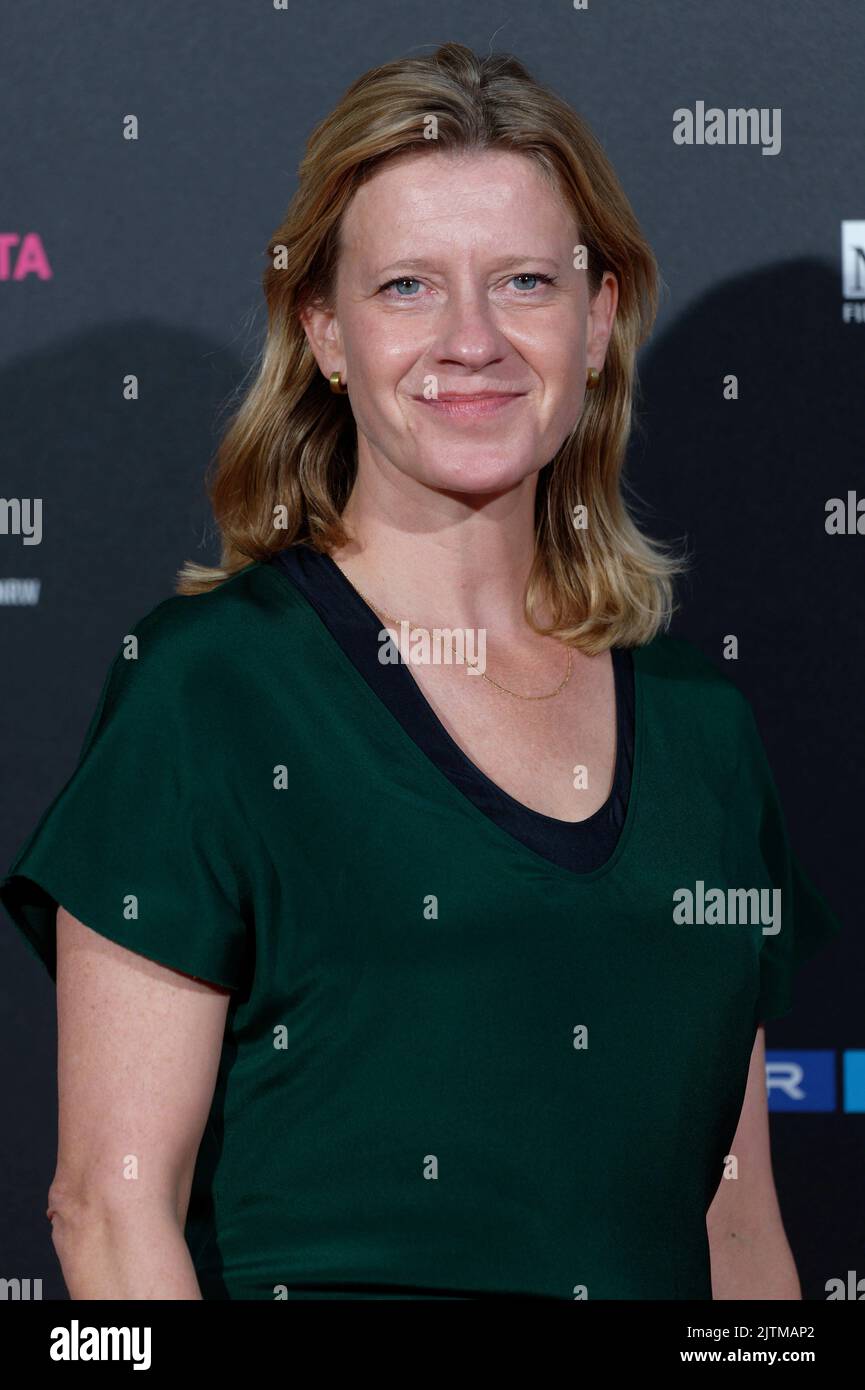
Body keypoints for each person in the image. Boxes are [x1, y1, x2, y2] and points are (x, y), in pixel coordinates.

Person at [0, 41, 842, 1301]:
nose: (472, 340)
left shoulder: (701, 730)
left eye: (521, 282)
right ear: (325, 333)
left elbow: (736, 1231)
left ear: (600, 318)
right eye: (406, 287)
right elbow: (107, 1217)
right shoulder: (214, 692)